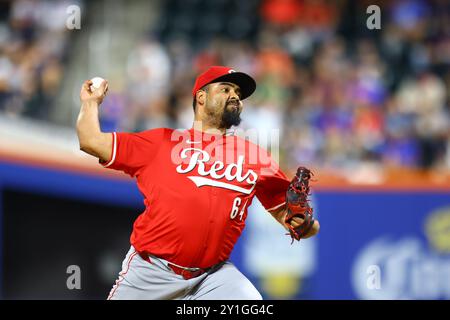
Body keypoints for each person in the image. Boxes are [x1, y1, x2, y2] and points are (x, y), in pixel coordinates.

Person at [76, 66, 320, 300]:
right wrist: (90, 103)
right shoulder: (161, 143)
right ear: (201, 97)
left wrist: (304, 224)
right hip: (151, 273)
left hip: (212, 278)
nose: (234, 95)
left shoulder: (256, 157)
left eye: (238, 93)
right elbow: (90, 140)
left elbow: (297, 222)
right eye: (225, 89)